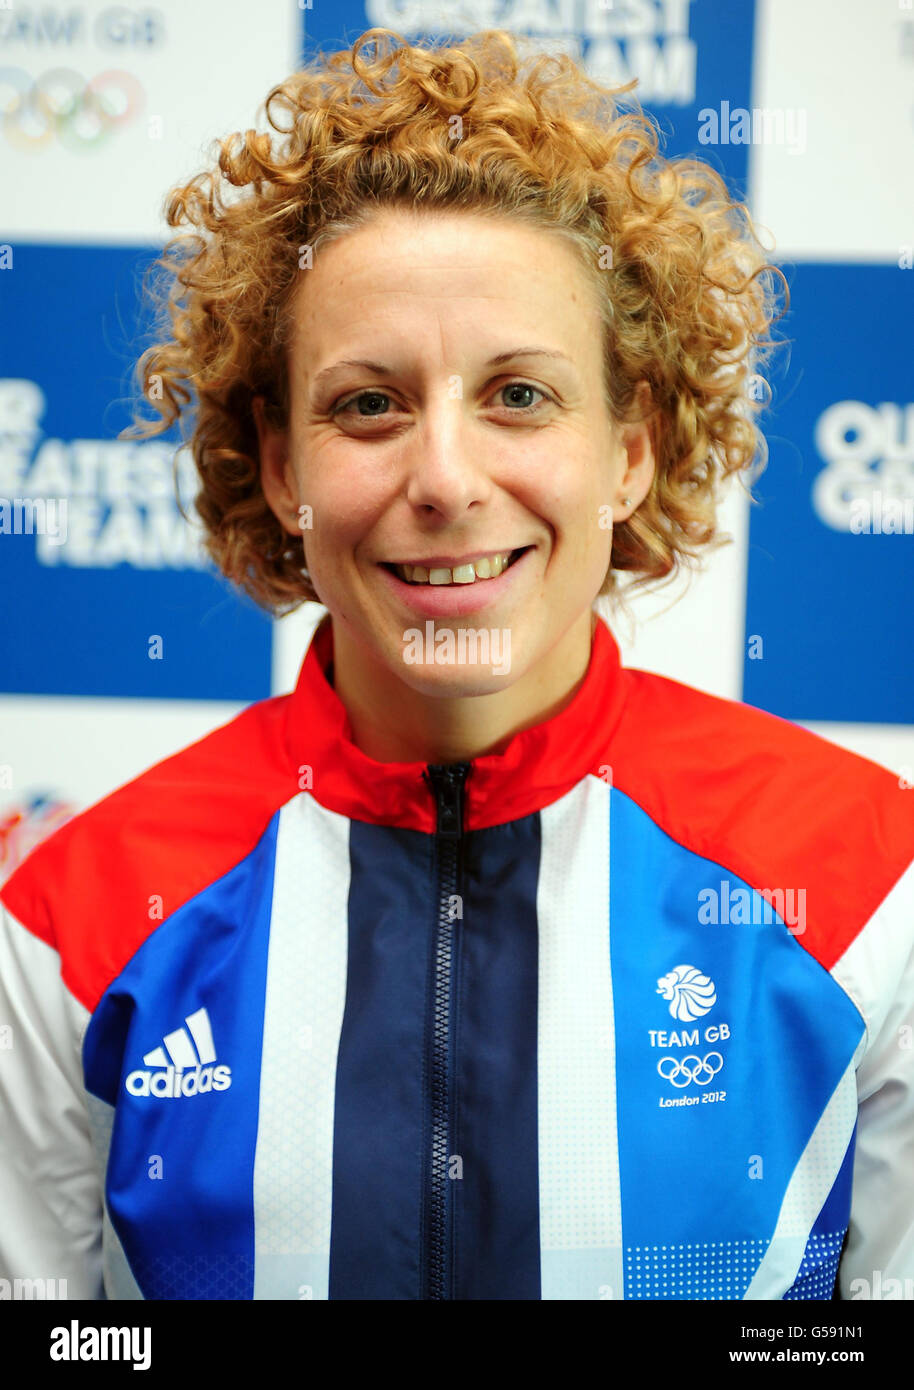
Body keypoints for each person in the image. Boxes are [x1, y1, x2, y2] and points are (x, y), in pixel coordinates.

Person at [1, 26, 912, 1303]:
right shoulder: (76, 921)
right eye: (367, 403)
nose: (443, 479)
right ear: (282, 465)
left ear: (629, 453)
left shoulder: (866, 881)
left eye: (519, 396)